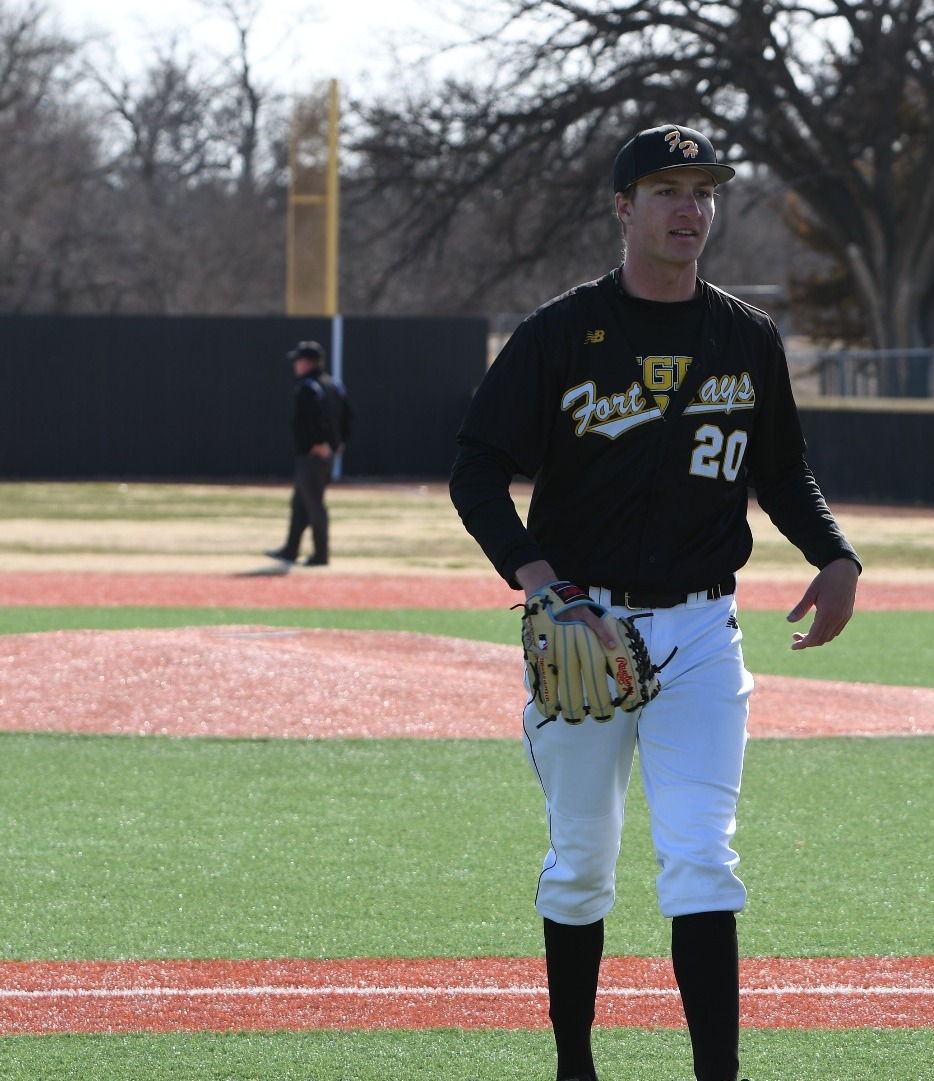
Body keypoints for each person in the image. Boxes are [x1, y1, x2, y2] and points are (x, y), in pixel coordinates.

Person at [448, 123, 861, 1081]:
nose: (691, 207)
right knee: (583, 865)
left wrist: (833, 552)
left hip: (703, 632)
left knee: (701, 859)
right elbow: (477, 467)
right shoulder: (560, 331)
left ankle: (718, 1071)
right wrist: (538, 578)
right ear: (623, 206)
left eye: (704, 191)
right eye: (668, 189)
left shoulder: (746, 335)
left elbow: (783, 465)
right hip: (584, 624)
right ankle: (575, 1065)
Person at [265, 340, 351, 567]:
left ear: (307, 363)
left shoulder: (308, 387)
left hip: (314, 455)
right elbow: (348, 414)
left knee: (313, 504)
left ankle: (321, 555)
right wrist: (339, 442)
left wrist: (321, 442)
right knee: (300, 503)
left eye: (298, 360)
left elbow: (316, 418)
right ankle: (290, 550)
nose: (295, 365)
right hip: (326, 454)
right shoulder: (333, 384)